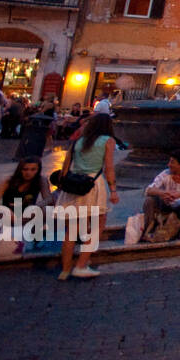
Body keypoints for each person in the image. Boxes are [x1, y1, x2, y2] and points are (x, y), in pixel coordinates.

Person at [55, 112, 119, 280]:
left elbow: (65, 167)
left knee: (71, 231)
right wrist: (113, 189)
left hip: (74, 185)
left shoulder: (78, 141)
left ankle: (65, 269)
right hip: (93, 184)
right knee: (97, 226)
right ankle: (81, 266)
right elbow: (109, 168)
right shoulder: (108, 141)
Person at [0, 158, 52, 257]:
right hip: (10, 215)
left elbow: (49, 199)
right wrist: (5, 211)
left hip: (27, 214)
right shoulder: (9, 181)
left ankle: (35, 237)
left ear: (38, 170)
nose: (28, 173)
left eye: (33, 169)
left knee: (45, 210)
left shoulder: (41, 180)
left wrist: (37, 206)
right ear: (20, 169)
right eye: (25, 169)